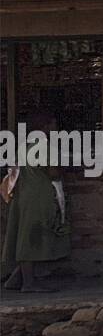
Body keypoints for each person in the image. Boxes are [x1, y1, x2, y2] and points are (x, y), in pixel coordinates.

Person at [1, 112, 72, 292]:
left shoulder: (23, 147)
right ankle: (29, 283)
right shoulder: (46, 147)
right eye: (54, 125)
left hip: (23, 195)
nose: (56, 129)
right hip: (40, 196)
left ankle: (16, 279)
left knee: (26, 236)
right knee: (32, 240)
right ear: (46, 127)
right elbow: (53, 172)